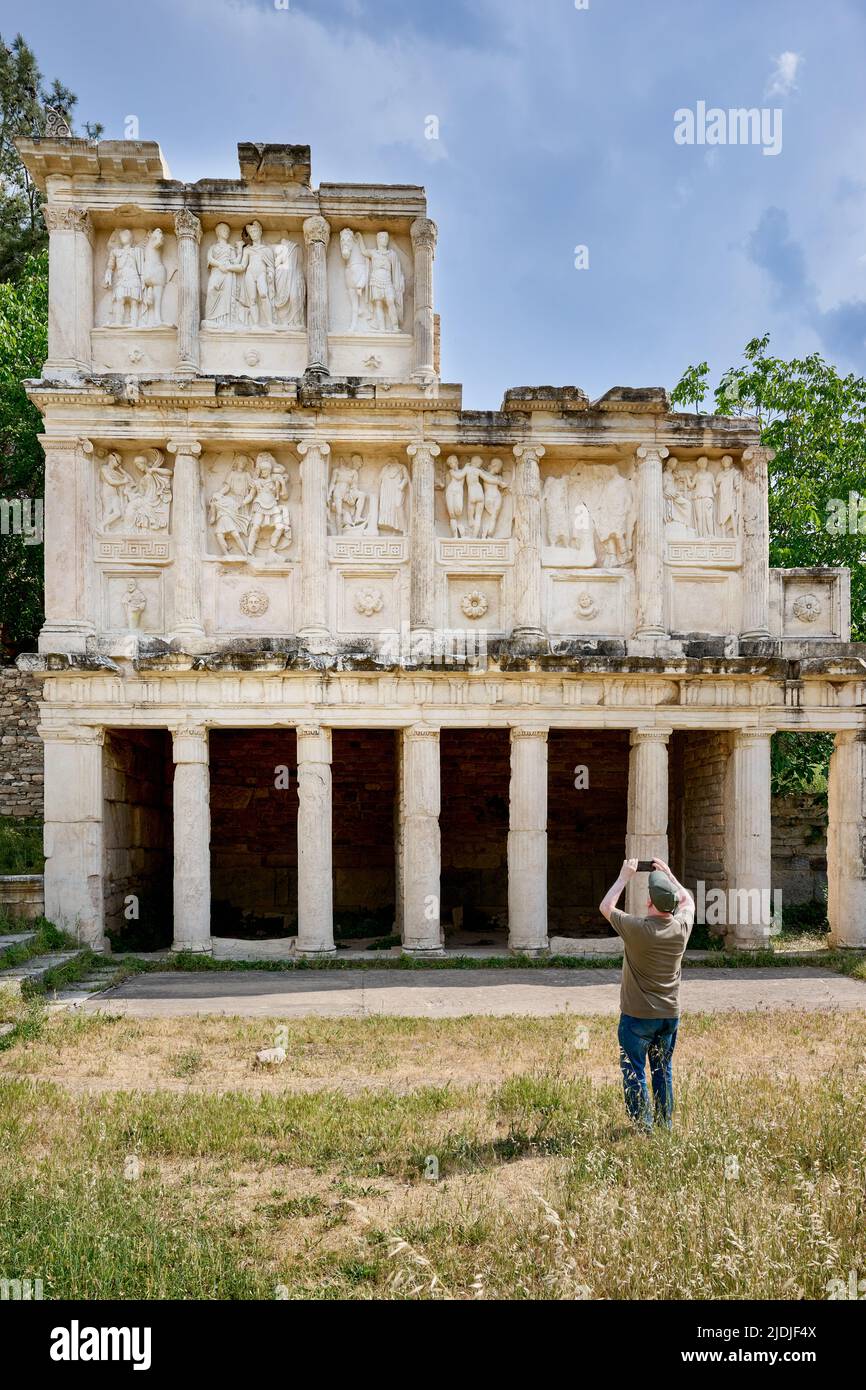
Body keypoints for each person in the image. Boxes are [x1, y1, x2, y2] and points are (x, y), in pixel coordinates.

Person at [599, 857, 695, 1131]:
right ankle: (665, 1124)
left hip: (637, 1016)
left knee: (635, 1070)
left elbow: (606, 907)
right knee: (663, 1071)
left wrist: (624, 876)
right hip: (669, 1016)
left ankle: (643, 1125)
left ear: (649, 903)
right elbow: (690, 903)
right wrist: (670, 874)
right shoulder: (681, 929)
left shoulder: (637, 929)